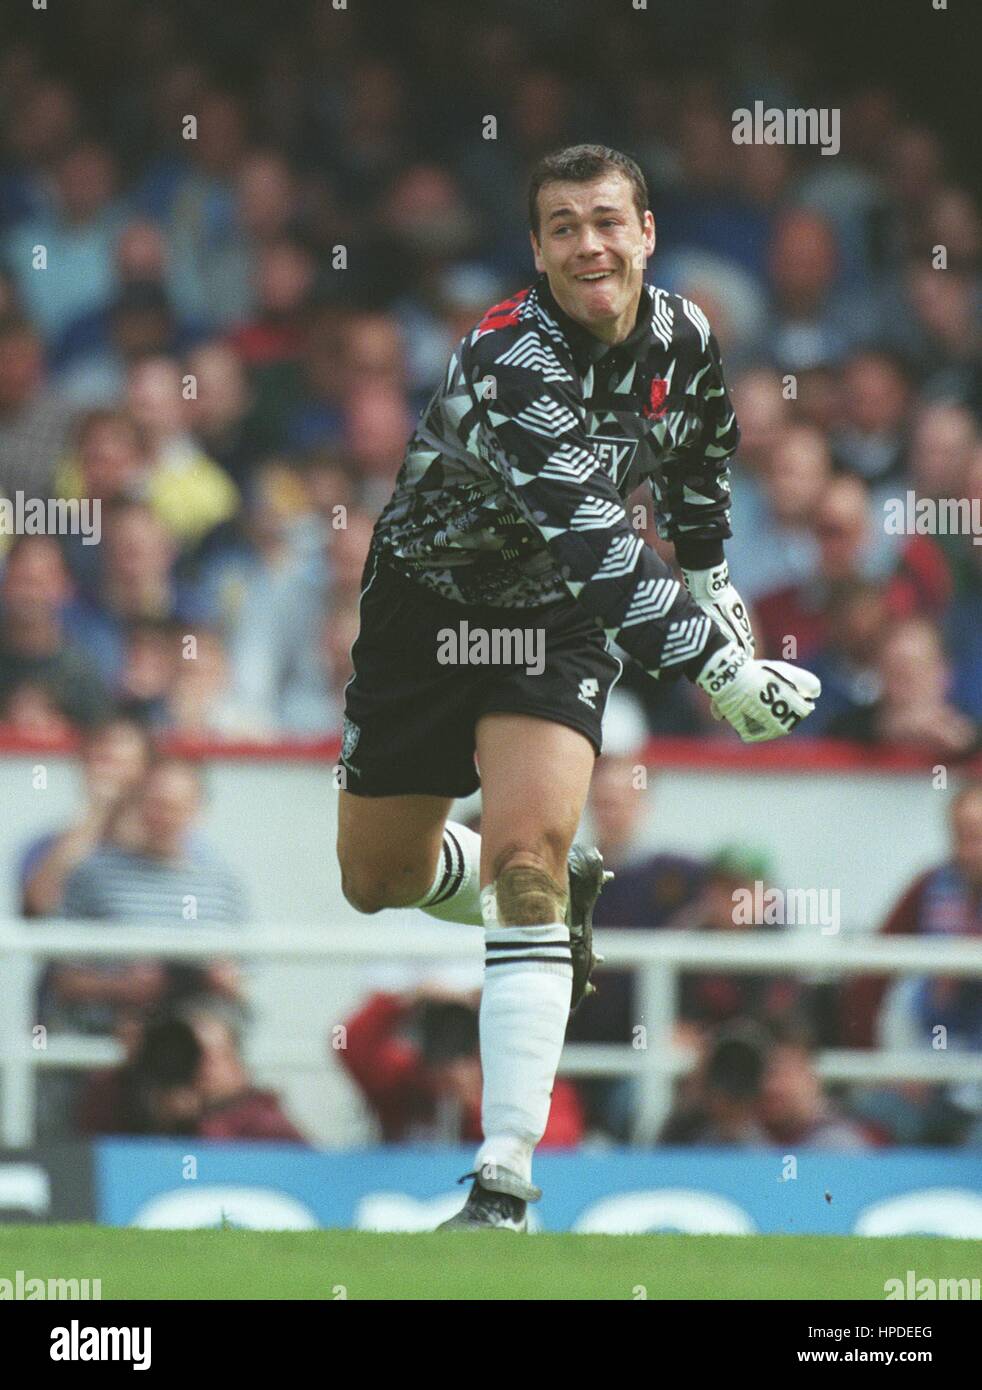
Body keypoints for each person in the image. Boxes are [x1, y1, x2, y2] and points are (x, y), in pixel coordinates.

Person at [336, 144, 821, 1231]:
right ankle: (559, 897)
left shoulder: (685, 337)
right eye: (562, 225)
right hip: (425, 610)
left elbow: (697, 464)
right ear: (539, 249)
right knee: (377, 876)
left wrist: (711, 581)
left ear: (646, 232)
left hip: (553, 622)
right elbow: (603, 542)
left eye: (606, 220)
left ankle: (502, 1180)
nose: (587, 243)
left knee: (526, 862)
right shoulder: (511, 354)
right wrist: (722, 667)